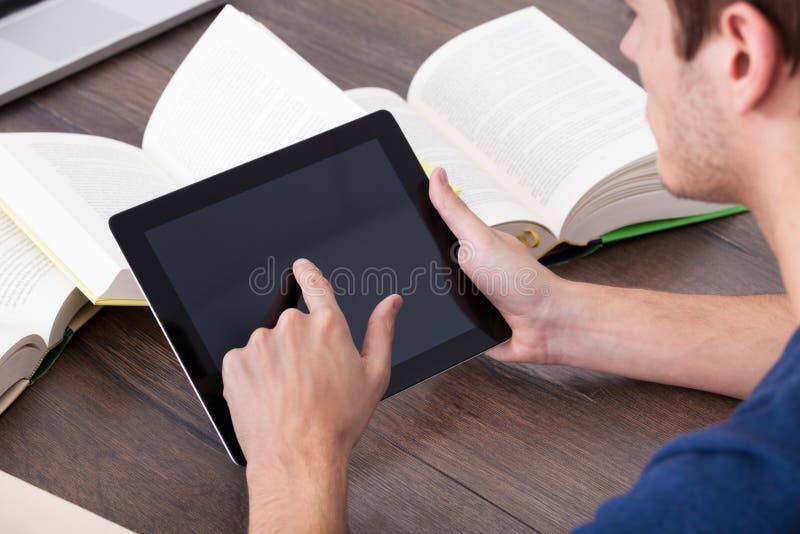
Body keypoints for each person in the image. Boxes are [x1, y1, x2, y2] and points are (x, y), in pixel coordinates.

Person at [221, 0, 800, 531]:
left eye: (638, 19)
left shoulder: (733, 498)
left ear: (742, 54)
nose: (630, 49)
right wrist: (560, 317)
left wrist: (291, 462)